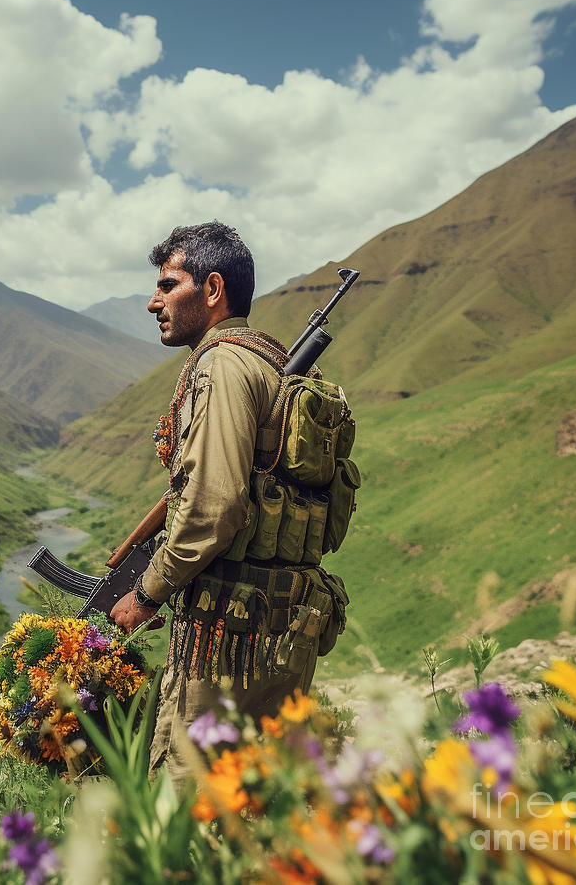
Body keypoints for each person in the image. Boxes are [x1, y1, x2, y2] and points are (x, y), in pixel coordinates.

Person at [110, 221, 344, 787]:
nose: (153, 302)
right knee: (259, 797)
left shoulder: (221, 365)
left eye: (168, 285)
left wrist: (147, 593)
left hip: (225, 639)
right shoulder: (268, 361)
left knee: (192, 802)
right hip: (280, 627)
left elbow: (215, 506)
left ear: (212, 289)